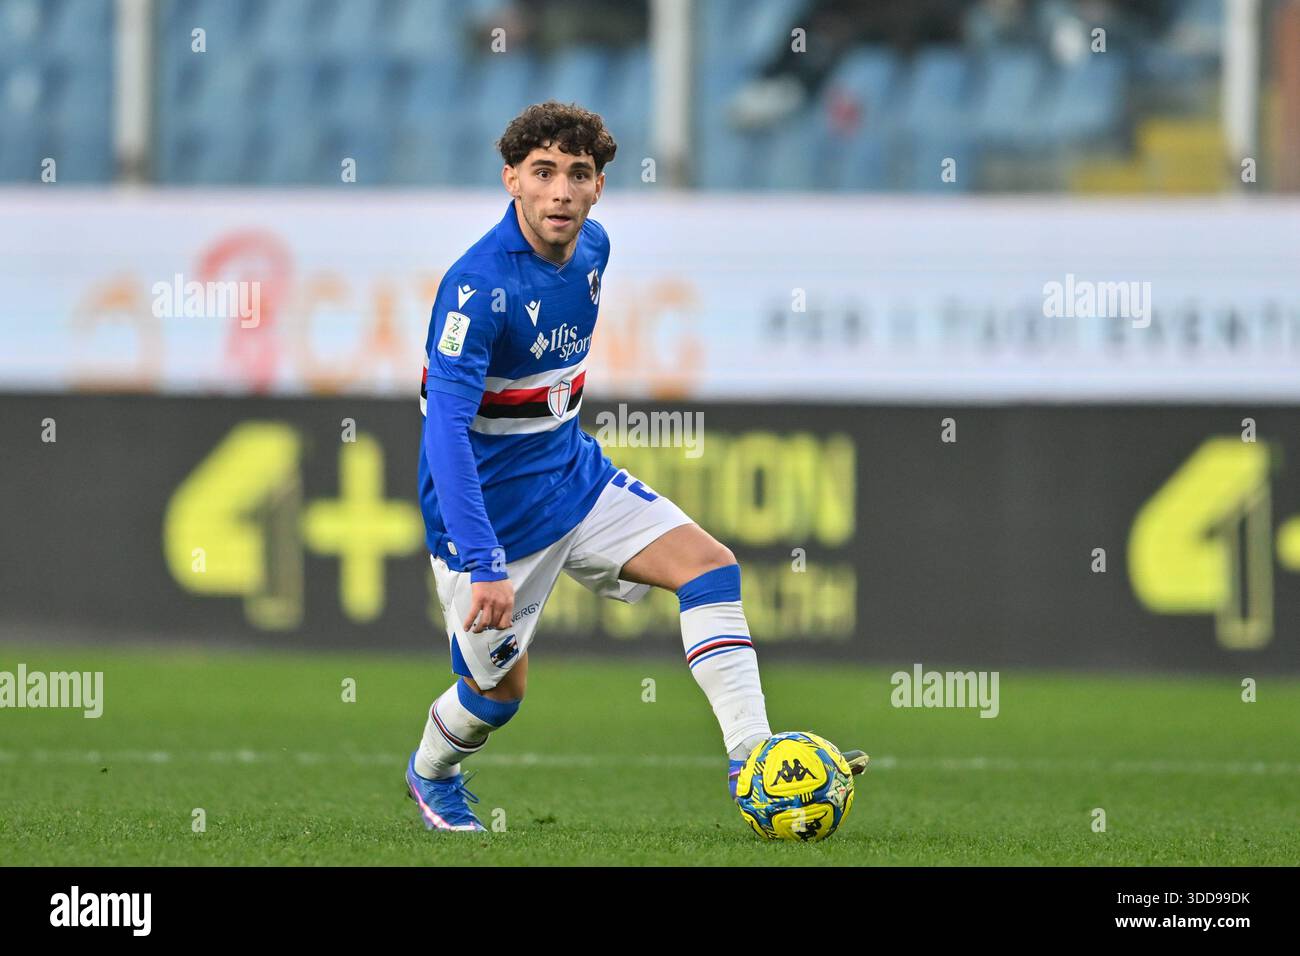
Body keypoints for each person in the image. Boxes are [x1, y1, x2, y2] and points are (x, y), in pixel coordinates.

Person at [406, 101, 866, 831]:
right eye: (543, 173)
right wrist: (483, 558)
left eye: (578, 175)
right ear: (512, 181)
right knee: (498, 697)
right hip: (491, 524)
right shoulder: (476, 289)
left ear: (599, 188)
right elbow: (446, 437)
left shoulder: (595, 251)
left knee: (710, 567)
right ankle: (432, 772)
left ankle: (752, 757)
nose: (561, 191)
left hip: (574, 481)